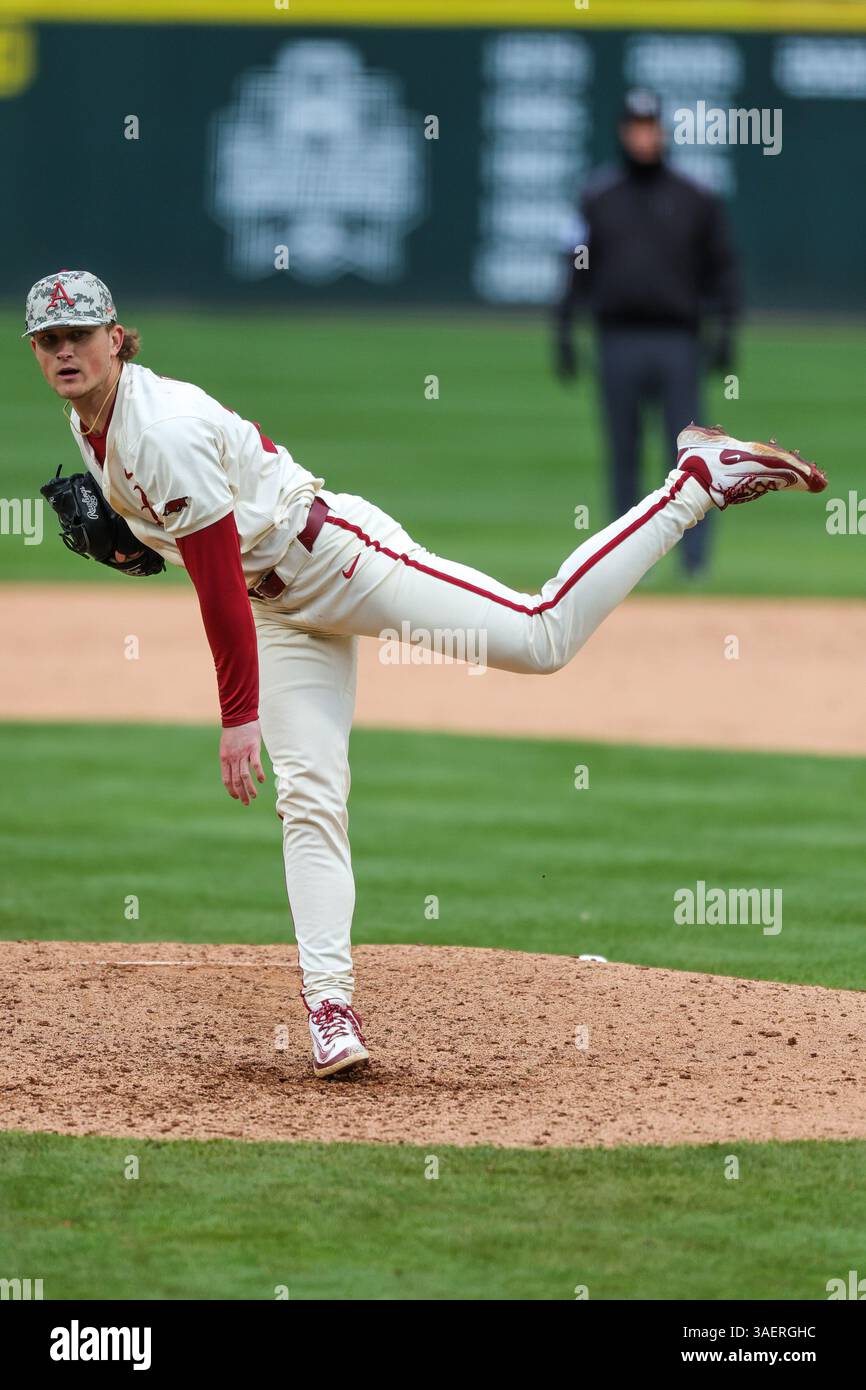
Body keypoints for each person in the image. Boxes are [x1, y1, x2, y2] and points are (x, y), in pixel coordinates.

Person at [26, 269, 825, 1078]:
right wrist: (138, 537)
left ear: (116, 338)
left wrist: (238, 714)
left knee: (539, 636)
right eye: (51, 341)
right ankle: (331, 1010)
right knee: (309, 793)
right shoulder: (92, 419)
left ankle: (696, 482)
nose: (67, 352)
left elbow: (217, 585)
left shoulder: (158, 429)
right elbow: (208, 553)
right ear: (34, 349)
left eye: (81, 336)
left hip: (337, 560)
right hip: (281, 611)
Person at [554, 87, 740, 577]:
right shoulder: (598, 197)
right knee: (623, 453)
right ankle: (622, 568)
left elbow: (722, 269)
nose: (643, 137)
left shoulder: (695, 197)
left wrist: (725, 332)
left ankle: (694, 563)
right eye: (635, 128)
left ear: (661, 132)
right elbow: (575, 265)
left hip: (678, 340)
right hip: (617, 339)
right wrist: (564, 331)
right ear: (623, 132)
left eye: (650, 127)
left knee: (691, 456)